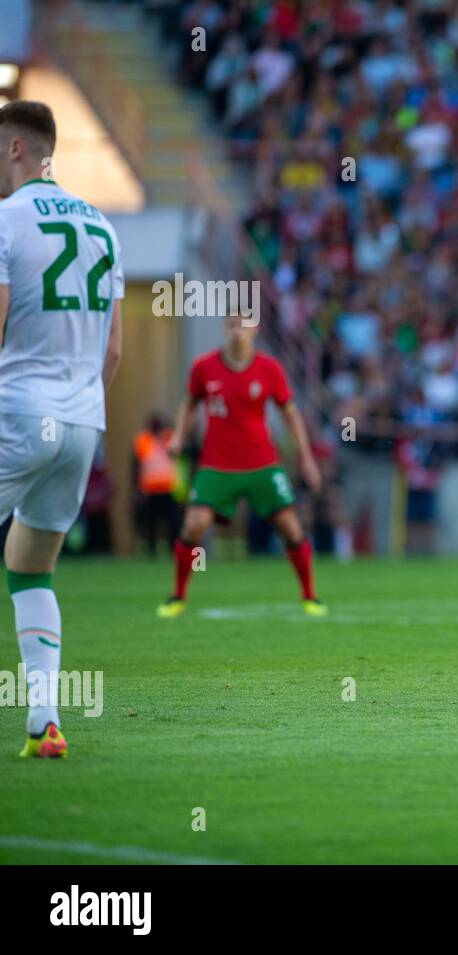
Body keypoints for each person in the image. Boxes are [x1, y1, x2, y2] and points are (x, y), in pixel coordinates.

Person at [0, 101, 125, 758]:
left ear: (18, 148)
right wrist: (76, 408)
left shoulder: (5, 221)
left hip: (18, 409)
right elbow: (114, 352)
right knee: (29, 567)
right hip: (81, 423)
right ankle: (44, 720)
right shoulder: (103, 226)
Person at [157, 314, 326, 617]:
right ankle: (178, 596)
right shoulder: (203, 368)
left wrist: (306, 457)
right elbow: (189, 404)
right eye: (232, 326)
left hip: (262, 462)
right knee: (194, 525)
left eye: (244, 326)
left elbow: (290, 413)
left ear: (255, 329)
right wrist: (179, 438)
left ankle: (310, 596)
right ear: (226, 329)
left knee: (290, 527)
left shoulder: (269, 369)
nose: (237, 332)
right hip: (217, 463)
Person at [133, 413, 180, 555]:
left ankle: (174, 551)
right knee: (151, 523)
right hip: (150, 489)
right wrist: (136, 488)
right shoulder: (143, 440)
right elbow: (136, 465)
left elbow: (178, 449)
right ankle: (151, 551)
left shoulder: (168, 437)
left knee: (173, 523)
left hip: (168, 488)